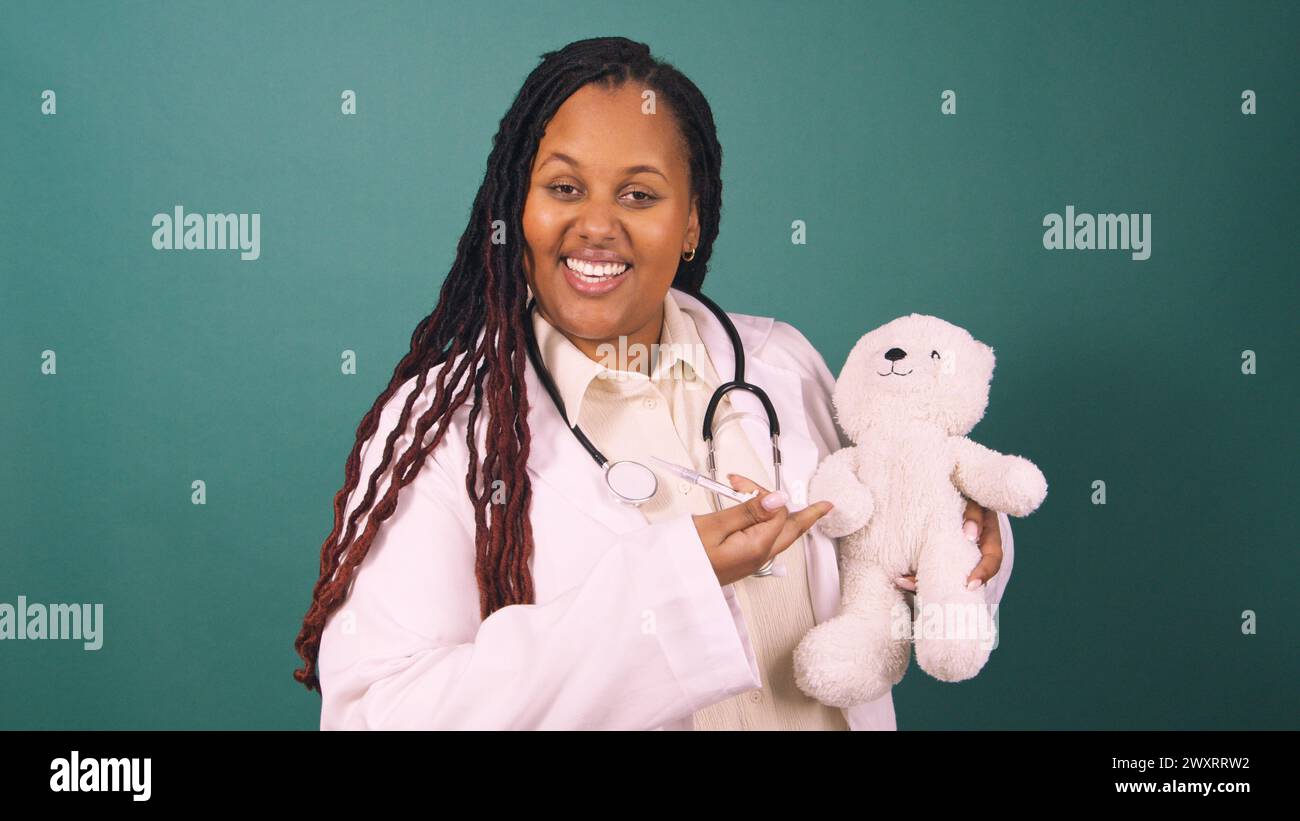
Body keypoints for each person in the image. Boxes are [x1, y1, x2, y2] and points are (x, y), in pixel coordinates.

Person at [292, 36, 1012, 730]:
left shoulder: (780, 365)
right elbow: (378, 714)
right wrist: (670, 588)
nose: (597, 225)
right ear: (518, 207)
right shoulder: (445, 429)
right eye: (564, 187)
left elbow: (880, 568)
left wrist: (959, 540)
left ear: (692, 221)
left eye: (639, 194)